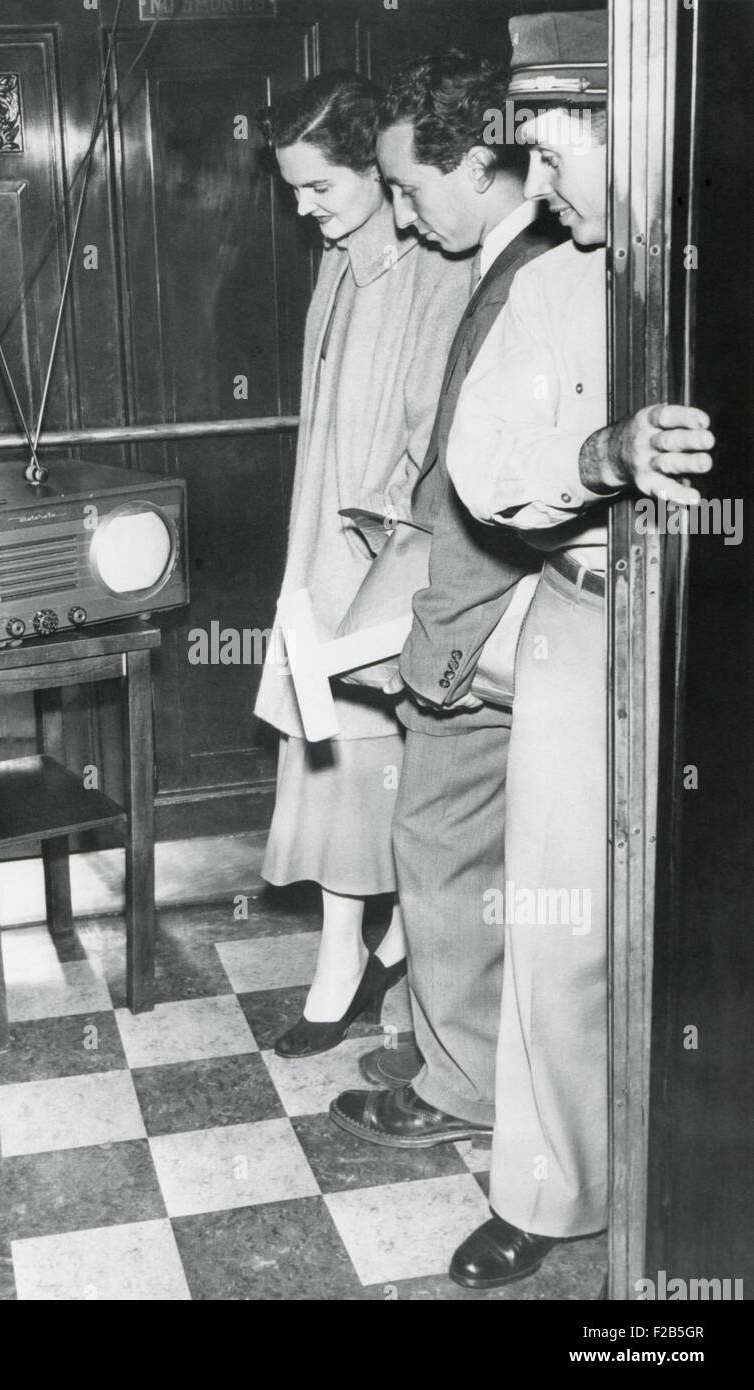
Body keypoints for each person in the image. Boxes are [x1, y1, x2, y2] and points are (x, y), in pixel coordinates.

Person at [440, 12, 712, 1288]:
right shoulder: (549, 290)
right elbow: (483, 474)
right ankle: (549, 1190)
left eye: (555, 155)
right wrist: (597, 459)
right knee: (559, 925)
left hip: (710, 643)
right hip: (578, 621)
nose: (537, 187)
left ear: (643, 135)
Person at [326, 53, 560, 1145]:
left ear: (477, 162)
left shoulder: (532, 271)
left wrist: (433, 641)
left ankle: (458, 1086)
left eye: (413, 190)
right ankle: (447, 1041)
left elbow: (506, 500)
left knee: (438, 844)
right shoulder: (515, 258)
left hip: (486, 627)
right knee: (463, 853)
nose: (408, 220)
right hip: (486, 615)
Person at [253, 72, 472, 1058]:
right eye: (292, 190)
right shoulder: (337, 264)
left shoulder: (435, 269)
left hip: (387, 557)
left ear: (380, 176)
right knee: (325, 750)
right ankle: (369, 941)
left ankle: (346, 962)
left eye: (320, 190)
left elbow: (434, 448)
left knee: (363, 759)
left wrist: (377, 552)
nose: (303, 210)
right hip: (321, 547)